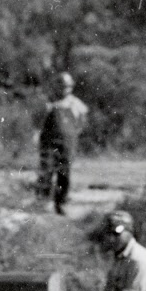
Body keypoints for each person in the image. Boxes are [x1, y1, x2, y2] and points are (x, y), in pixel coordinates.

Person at [37, 72, 89, 215]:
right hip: (49, 143)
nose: (64, 89)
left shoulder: (76, 104)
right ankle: (42, 203)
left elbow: (82, 122)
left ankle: (61, 203)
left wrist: (74, 134)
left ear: (71, 87)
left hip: (67, 144)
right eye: (61, 85)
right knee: (46, 171)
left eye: (67, 86)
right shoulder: (49, 103)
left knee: (64, 174)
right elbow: (38, 120)